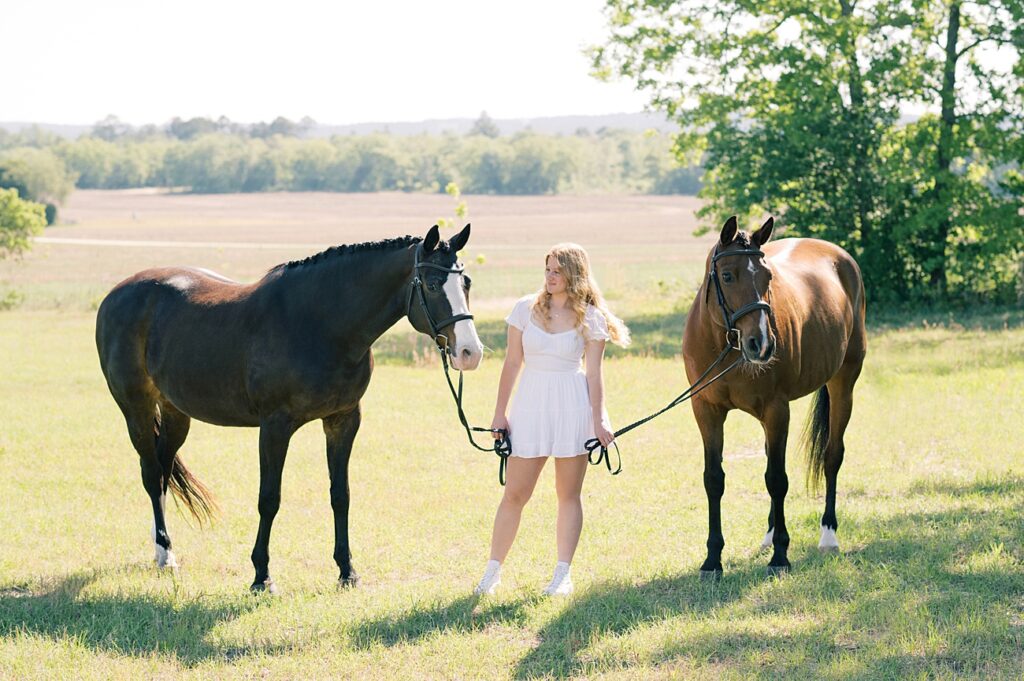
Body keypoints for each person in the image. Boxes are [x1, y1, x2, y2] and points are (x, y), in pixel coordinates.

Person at [474, 243, 630, 597]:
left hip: (572, 406)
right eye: (547, 269)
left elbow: (594, 375)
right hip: (530, 405)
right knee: (514, 493)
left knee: (568, 494)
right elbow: (512, 363)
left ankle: (563, 574)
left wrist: (599, 419)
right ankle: (492, 572)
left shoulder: (591, 318)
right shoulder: (524, 310)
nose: (550, 277)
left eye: (557, 270)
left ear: (575, 273)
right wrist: (500, 413)